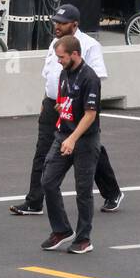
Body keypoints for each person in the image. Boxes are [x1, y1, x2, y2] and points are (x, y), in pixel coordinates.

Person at [10, 4, 123, 216]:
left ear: (75, 24)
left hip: (79, 110)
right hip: (53, 104)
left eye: (62, 23)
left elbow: (96, 78)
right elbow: (50, 76)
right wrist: (48, 101)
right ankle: (34, 201)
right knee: (42, 151)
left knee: (89, 152)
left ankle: (112, 192)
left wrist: (77, 104)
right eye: (56, 22)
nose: (57, 26)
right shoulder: (55, 44)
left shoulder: (90, 46)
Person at [40, 35, 101, 254]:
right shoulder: (65, 73)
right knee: (48, 181)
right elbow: (66, 101)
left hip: (84, 140)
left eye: (62, 57)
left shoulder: (90, 78)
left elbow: (90, 114)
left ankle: (84, 238)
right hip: (63, 134)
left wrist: (73, 139)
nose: (59, 61)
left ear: (75, 54)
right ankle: (62, 230)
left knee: (83, 190)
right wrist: (61, 107)